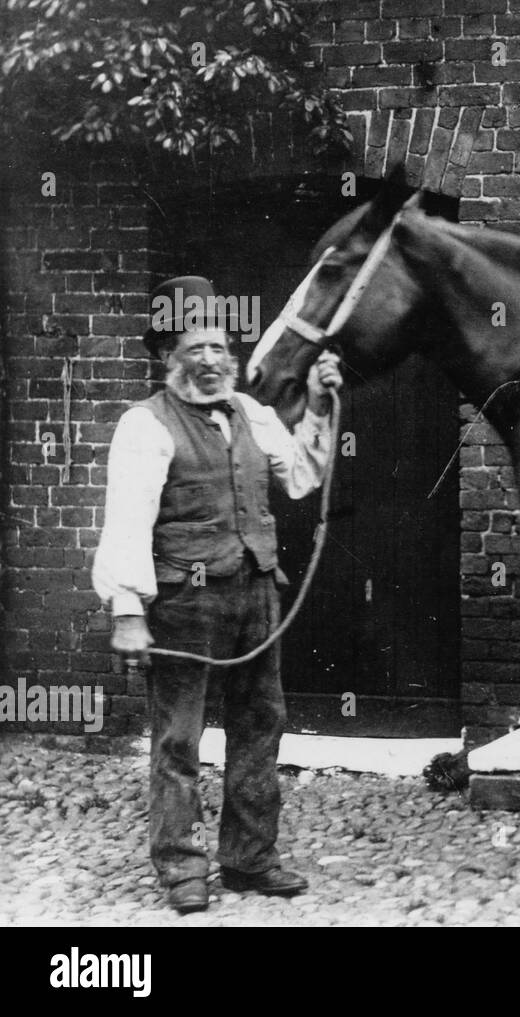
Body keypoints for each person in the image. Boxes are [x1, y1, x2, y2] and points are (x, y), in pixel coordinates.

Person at [92, 276, 342, 914]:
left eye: (219, 347)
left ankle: (250, 858)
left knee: (262, 723)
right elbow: (127, 520)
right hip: (184, 603)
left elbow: (303, 478)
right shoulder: (144, 426)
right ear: (166, 358)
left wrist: (314, 404)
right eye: (193, 349)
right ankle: (180, 867)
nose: (210, 360)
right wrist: (127, 612)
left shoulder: (251, 414)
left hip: (257, 594)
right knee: (179, 737)